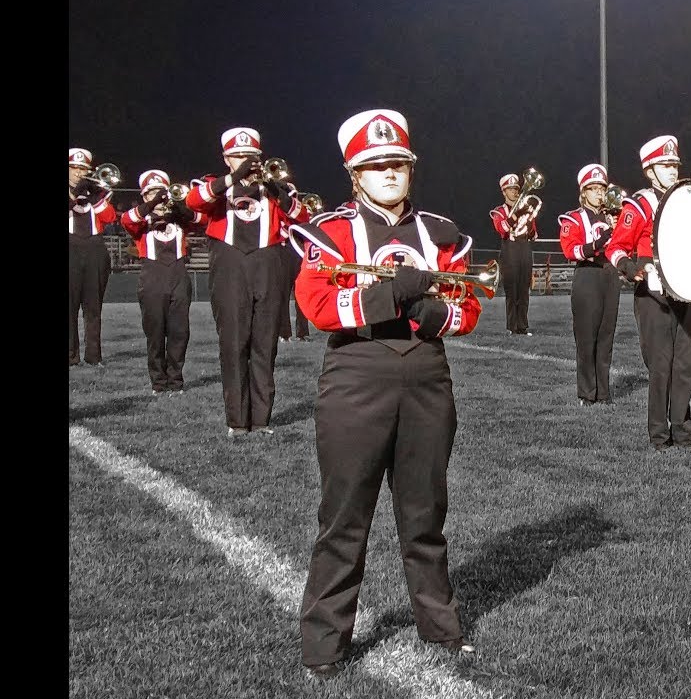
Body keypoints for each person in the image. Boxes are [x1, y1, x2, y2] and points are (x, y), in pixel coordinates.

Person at [290, 108, 481, 677]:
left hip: (426, 375)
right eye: (376, 165)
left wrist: (428, 312)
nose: (389, 172)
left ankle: (439, 627)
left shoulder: (441, 233)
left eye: (398, 162)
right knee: (344, 517)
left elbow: (467, 311)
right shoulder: (328, 231)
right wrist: (389, 298)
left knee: (425, 512)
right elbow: (318, 306)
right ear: (355, 174)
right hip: (357, 376)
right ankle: (324, 645)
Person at [186, 126, 311, 437]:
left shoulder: (276, 189)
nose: (245, 161)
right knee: (233, 341)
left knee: (265, 343)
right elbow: (192, 202)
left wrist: (274, 187)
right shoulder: (215, 187)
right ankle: (238, 421)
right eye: (239, 156)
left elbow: (303, 217)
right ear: (227, 159)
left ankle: (262, 419)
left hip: (268, 262)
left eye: (251, 156)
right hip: (229, 264)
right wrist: (232, 178)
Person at [604, 134, 691, 450]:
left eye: (674, 164)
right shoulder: (640, 203)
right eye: (665, 165)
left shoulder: (687, 198)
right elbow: (616, 247)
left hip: (686, 287)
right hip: (653, 292)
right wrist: (634, 270)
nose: (672, 170)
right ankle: (659, 433)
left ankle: (683, 430)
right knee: (661, 365)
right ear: (650, 170)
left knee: (686, 363)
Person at [119, 170, 206, 394]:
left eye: (161, 194)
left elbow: (202, 219)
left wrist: (180, 208)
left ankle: (176, 380)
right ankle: (158, 382)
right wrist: (153, 205)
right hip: (152, 277)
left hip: (178, 275)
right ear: (145, 197)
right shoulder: (141, 220)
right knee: (155, 332)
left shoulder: (178, 218)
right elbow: (126, 220)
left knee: (180, 331)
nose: (158, 198)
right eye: (152, 194)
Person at [556, 163, 620, 405]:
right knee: (586, 337)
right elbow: (570, 250)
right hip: (587, 276)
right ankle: (586, 393)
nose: (599, 194)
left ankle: (603, 393)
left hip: (609, 275)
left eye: (601, 189)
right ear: (583, 192)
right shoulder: (573, 218)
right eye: (593, 189)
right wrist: (600, 241)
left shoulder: (612, 216)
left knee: (606, 336)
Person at [68, 148, 119, 367]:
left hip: (95, 248)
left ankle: (93, 356)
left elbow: (110, 217)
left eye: (82, 169)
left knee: (93, 306)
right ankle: (71, 356)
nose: (78, 173)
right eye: (74, 169)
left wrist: (94, 195)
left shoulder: (98, 191)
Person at [490, 172, 538, 335]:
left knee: (524, 288)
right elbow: (502, 229)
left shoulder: (526, 209)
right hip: (509, 248)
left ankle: (522, 326)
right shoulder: (498, 211)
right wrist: (517, 213)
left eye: (516, 189)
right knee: (512, 289)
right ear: (504, 192)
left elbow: (533, 235)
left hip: (524, 247)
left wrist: (530, 219)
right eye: (510, 189)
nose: (515, 192)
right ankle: (512, 326)